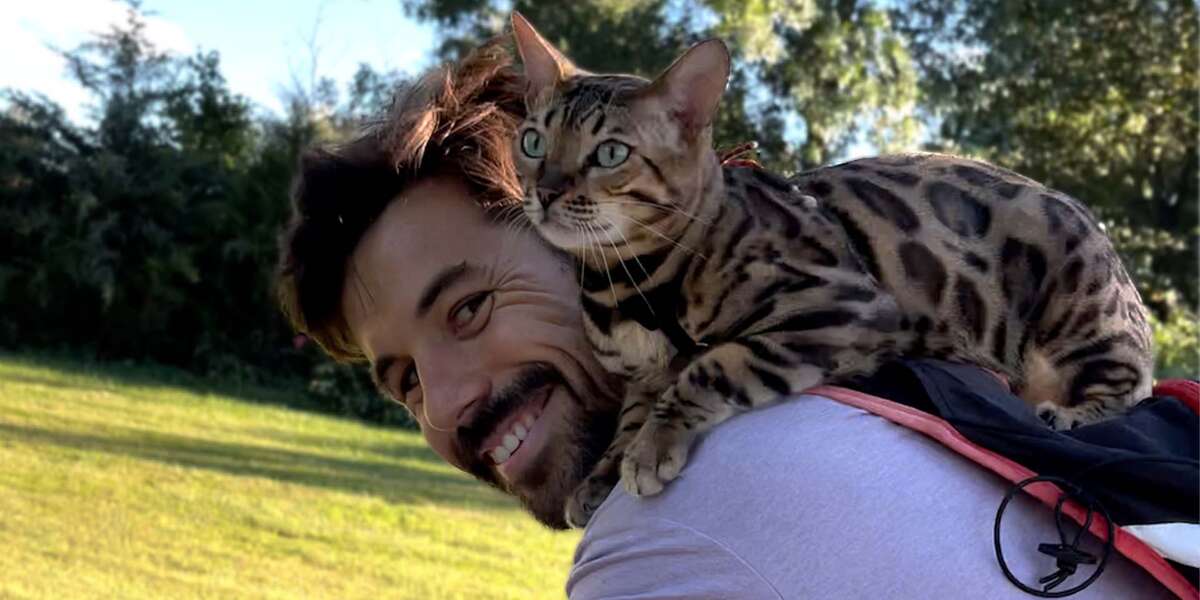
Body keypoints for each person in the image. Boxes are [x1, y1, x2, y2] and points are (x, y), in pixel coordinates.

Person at [275, 40, 1178, 598]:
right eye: (404, 381)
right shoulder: (907, 414)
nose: (444, 405)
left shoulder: (676, 522)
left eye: (471, 308)